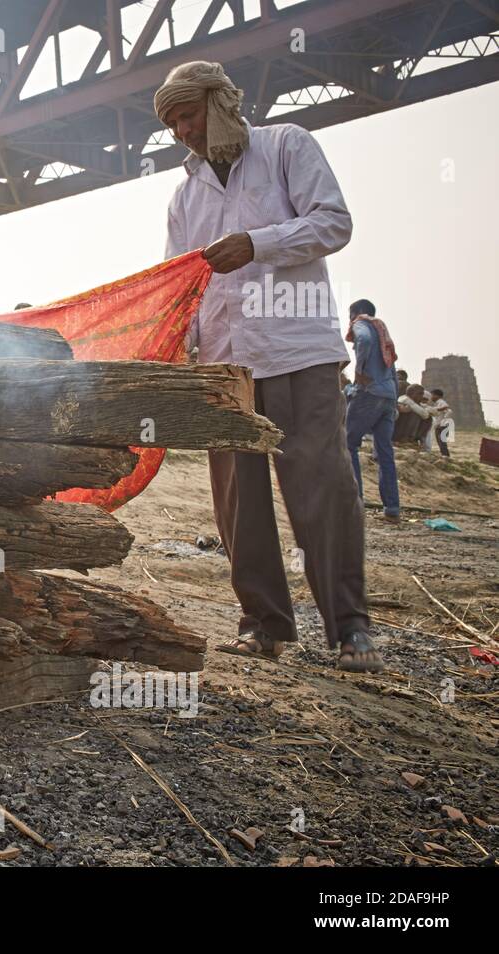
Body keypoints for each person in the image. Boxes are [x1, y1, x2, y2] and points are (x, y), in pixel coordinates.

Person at [156, 59, 382, 673]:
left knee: (323, 488)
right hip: (227, 369)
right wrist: (186, 352)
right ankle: (264, 623)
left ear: (221, 102)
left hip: (298, 352)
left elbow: (334, 223)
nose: (182, 131)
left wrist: (258, 244)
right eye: (173, 123)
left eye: (188, 115)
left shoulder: (287, 145)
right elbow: (185, 286)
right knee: (238, 504)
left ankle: (350, 627)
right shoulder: (183, 196)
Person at [343, 300, 400, 523]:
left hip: (369, 393)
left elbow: (363, 341)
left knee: (349, 444)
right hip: (388, 395)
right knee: (385, 452)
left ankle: (356, 504)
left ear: (355, 313)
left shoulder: (362, 324)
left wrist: (358, 373)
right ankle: (392, 510)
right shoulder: (382, 331)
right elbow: (392, 366)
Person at [428, 389, 453, 457]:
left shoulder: (441, 402)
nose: (431, 397)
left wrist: (435, 409)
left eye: (432, 395)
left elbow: (446, 408)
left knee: (441, 441)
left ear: (437, 396)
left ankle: (445, 455)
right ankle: (444, 455)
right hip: (439, 425)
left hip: (442, 426)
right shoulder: (437, 403)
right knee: (440, 441)